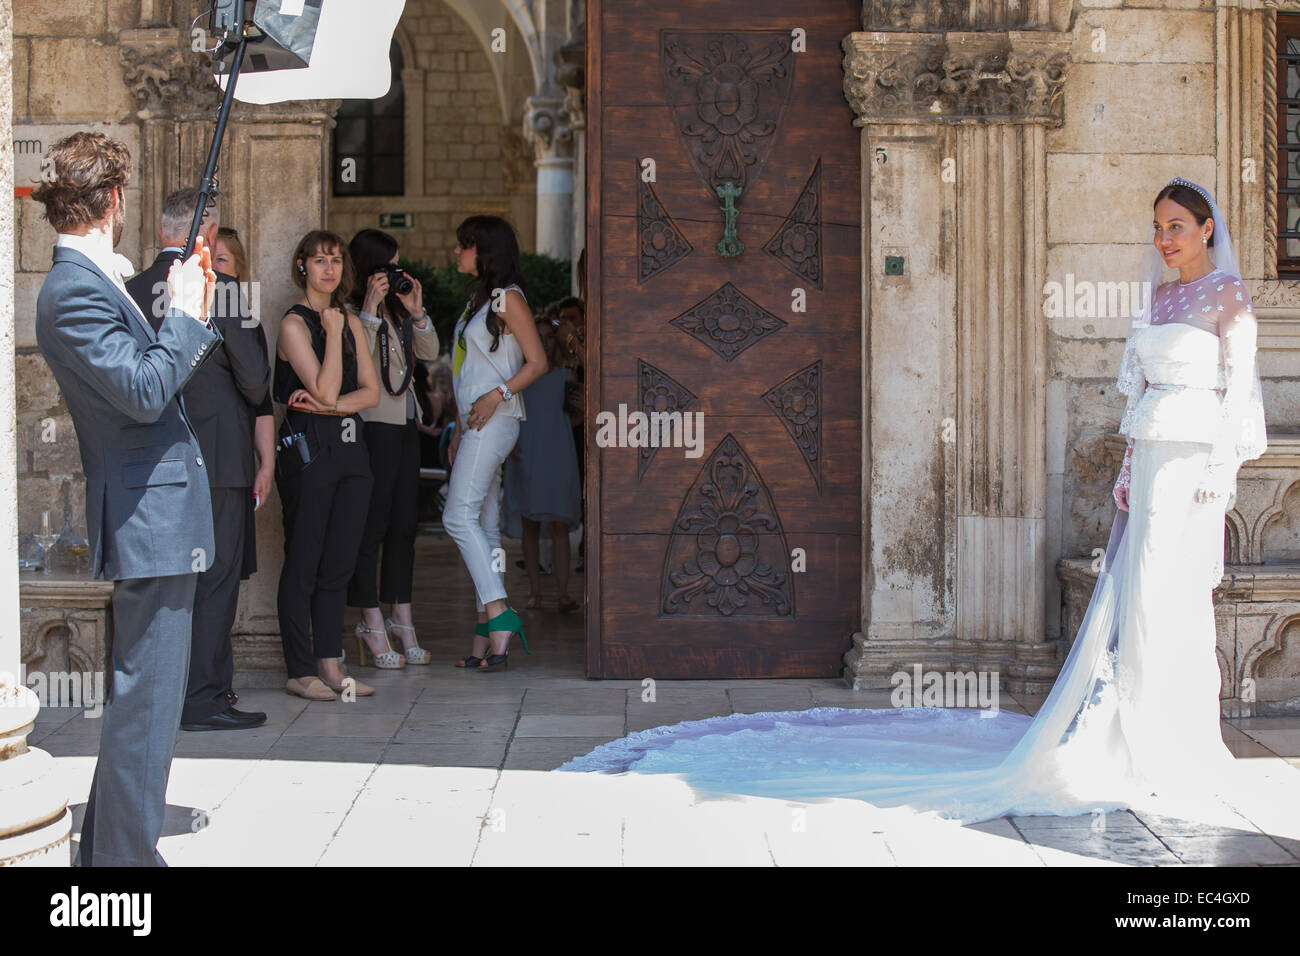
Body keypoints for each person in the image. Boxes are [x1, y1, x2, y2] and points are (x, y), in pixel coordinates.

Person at [560, 176, 1268, 826]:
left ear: (1207, 229)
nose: (1163, 240)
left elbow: (1239, 394)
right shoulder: (1162, 299)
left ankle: (1178, 741)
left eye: (1175, 226)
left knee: (1177, 597)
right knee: (1142, 592)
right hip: (1150, 465)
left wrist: (1222, 476)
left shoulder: (1227, 298)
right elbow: (1140, 391)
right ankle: (1134, 735)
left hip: (1197, 462)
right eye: (1156, 226)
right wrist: (1130, 462)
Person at [32, 132, 220, 865]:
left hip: (158, 513)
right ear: (114, 200)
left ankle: (104, 859)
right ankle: (123, 875)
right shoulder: (70, 291)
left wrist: (177, 304)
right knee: (146, 705)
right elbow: (144, 392)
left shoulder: (90, 280)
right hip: (150, 518)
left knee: (143, 702)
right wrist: (188, 315)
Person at [126, 189, 273, 733]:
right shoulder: (225, 290)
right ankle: (204, 699)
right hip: (217, 459)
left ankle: (165, 698)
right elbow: (255, 380)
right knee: (215, 579)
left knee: (166, 584)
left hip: (150, 461)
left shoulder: (132, 290)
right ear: (206, 234)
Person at [274, 230, 380, 700]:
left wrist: (330, 406)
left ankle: (331, 667)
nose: (329, 269)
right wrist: (333, 333)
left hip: (351, 451)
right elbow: (327, 389)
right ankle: (300, 671)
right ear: (303, 267)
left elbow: (371, 394)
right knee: (304, 560)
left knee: (339, 562)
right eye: (319, 261)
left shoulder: (353, 321)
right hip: (307, 452)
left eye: (336, 260)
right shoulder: (294, 324)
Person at [444, 215, 548, 671]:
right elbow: (465, 370)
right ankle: (487, 636)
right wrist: (459, 427)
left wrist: (497, 395)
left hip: (497, 418)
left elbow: (538, 362)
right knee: (483, 527)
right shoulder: (479, 300)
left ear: (484, 252)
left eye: (464, 246)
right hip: (476, 424)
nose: (457, 253)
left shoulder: (507, 299)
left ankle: (500, 611)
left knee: (455, 516)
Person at [345, 229, 440, 665]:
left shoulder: (399, 313)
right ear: (369, 269)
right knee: (371, 526)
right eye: (390, 267)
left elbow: (431, 351)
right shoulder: (349, 312)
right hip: (372, 427)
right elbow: (357, 365)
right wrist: (367, 310)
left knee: (404, 525)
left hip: (404, 425)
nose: (397, 275)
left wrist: (417, 313)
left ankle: (402, 615)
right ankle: (369, 619)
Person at [504, 315, 581, 612]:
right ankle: (535, 591)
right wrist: (511, 443)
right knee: (530, 523)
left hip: (557, 452)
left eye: (550, 336)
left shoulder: (566, 374)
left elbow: (580, 412)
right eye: (539, 336)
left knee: (560, 523)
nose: (545, 342)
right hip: (526, 450)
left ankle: (563, 592)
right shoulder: (518, 375)